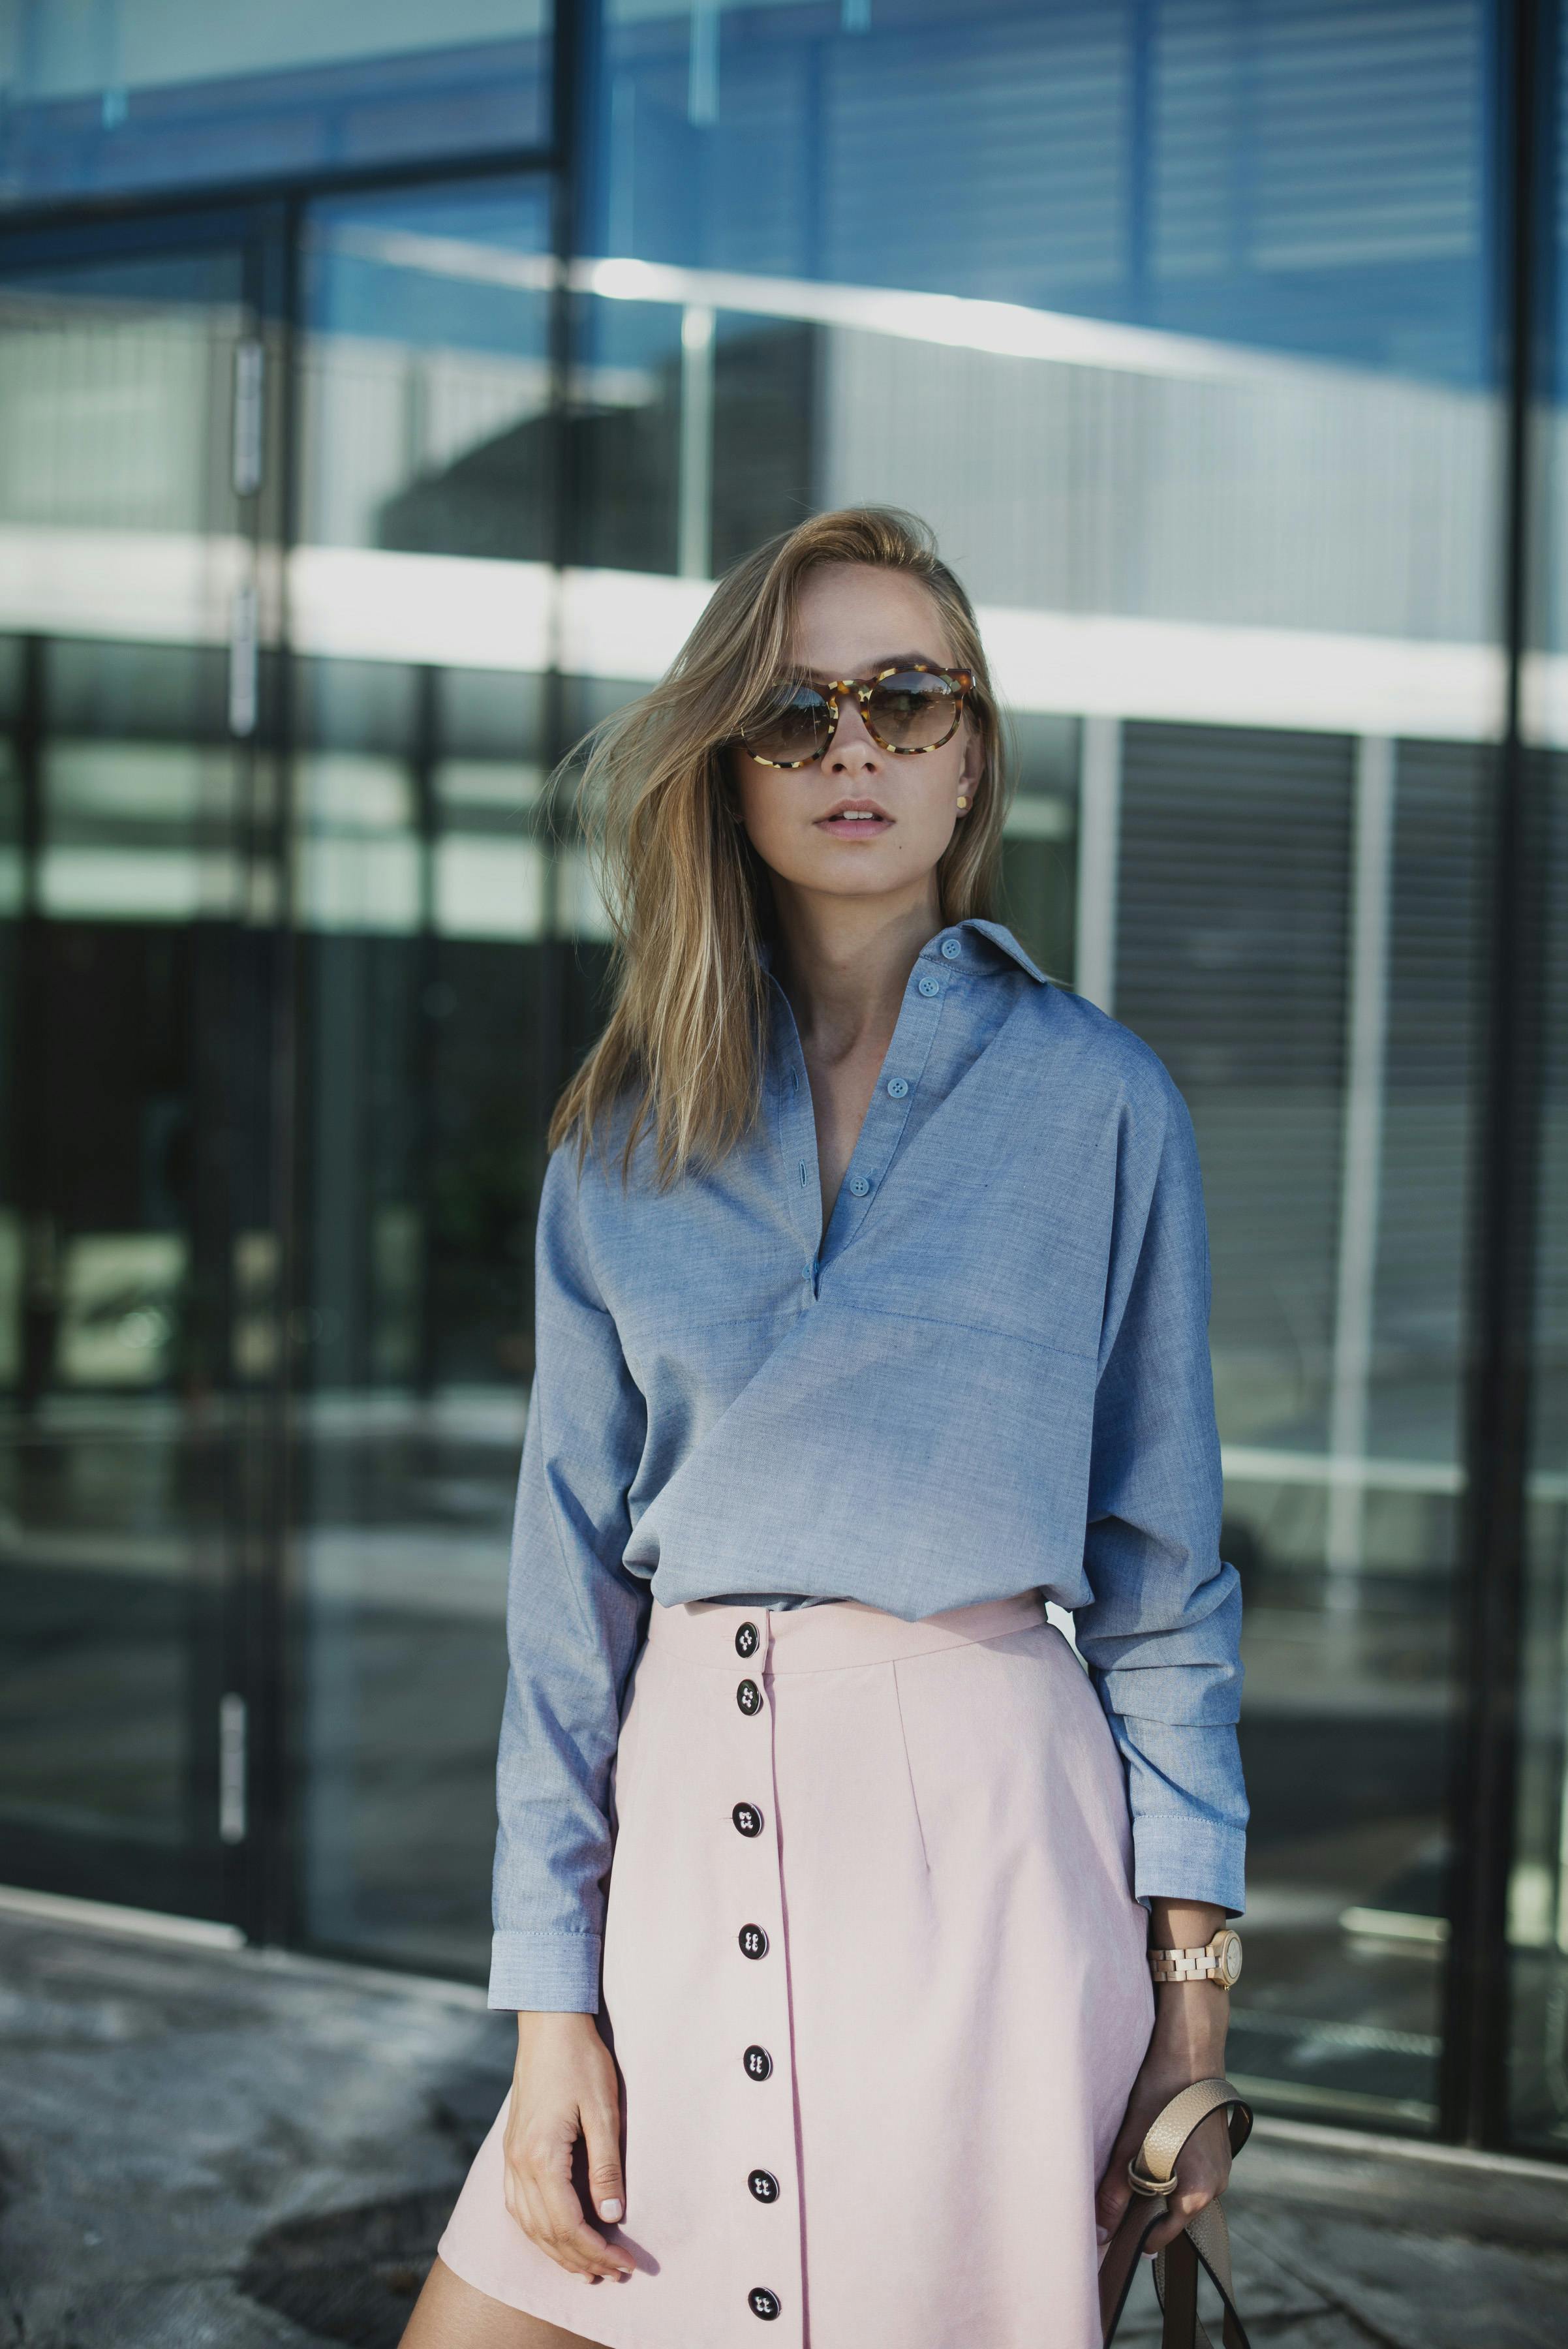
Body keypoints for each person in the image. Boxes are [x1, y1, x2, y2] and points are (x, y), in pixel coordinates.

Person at [399, 508, 1248, 2349]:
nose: (850, 747)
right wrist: (554, 2004)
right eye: (792, 711)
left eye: (902, 696)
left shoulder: (1101, 1102)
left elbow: (1164, 1581)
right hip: (684, 1868)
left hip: (992, 1900)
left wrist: (1189, 2004)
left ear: (967, 756)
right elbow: (565, 1595)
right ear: (729, 769)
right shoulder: (619, 1137)